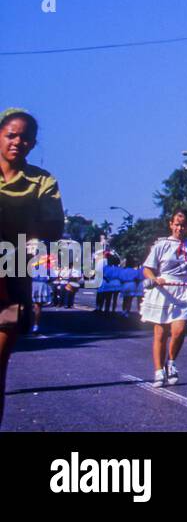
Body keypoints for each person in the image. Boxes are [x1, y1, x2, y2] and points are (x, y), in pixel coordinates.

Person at [0, 109, 65, 427]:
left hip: (11, 277)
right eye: (11, 134)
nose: (17, 141)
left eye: (24, 137)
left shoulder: (42, 181)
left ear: (32, 143)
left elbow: (53, 227)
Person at [141, 209, 187, 388]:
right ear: (171, 225)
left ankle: (171, 362)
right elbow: (147, 268)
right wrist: (154, 279)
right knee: (160, 333)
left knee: (179, 331)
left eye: (183, 225)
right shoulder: (161, 245)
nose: (179, 228)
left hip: (183, 290)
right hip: (163, 290)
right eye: (176, 224)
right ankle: (158, 371)